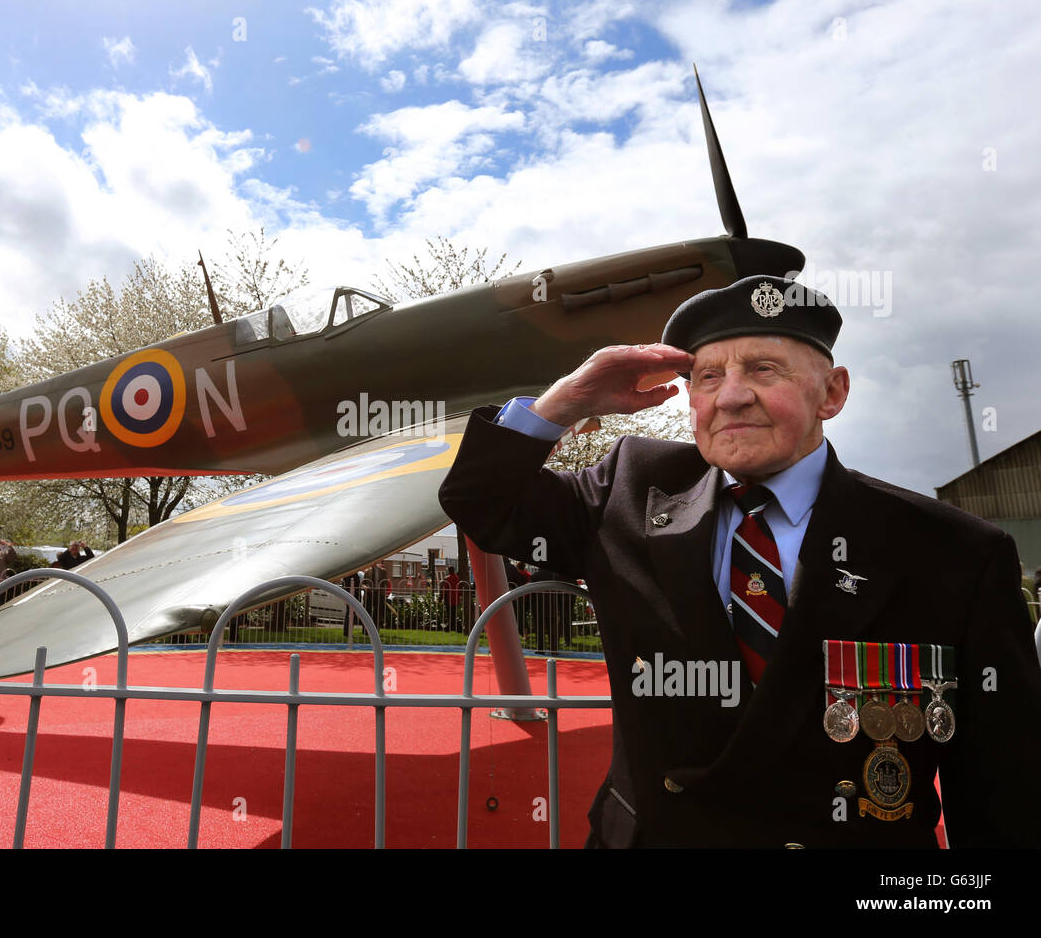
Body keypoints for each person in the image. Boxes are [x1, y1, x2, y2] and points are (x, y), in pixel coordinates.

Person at [439, 274, 1041, 848]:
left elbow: (1001, 793)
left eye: (763, 369)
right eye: (706, 377)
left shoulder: (953, 552)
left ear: (832, 393)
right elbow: (480, 504)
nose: (730, 396)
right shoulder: (630, 487)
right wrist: (569, 400)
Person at [439, 566, 462, 632]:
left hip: (449, 598)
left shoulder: (447, 578)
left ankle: (449, 627)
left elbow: (444, 589)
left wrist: (440, 598)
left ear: (449, 571)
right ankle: (453, 626)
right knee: (454, 613)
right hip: (456, 599)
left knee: (449, 613)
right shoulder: (457, 578)